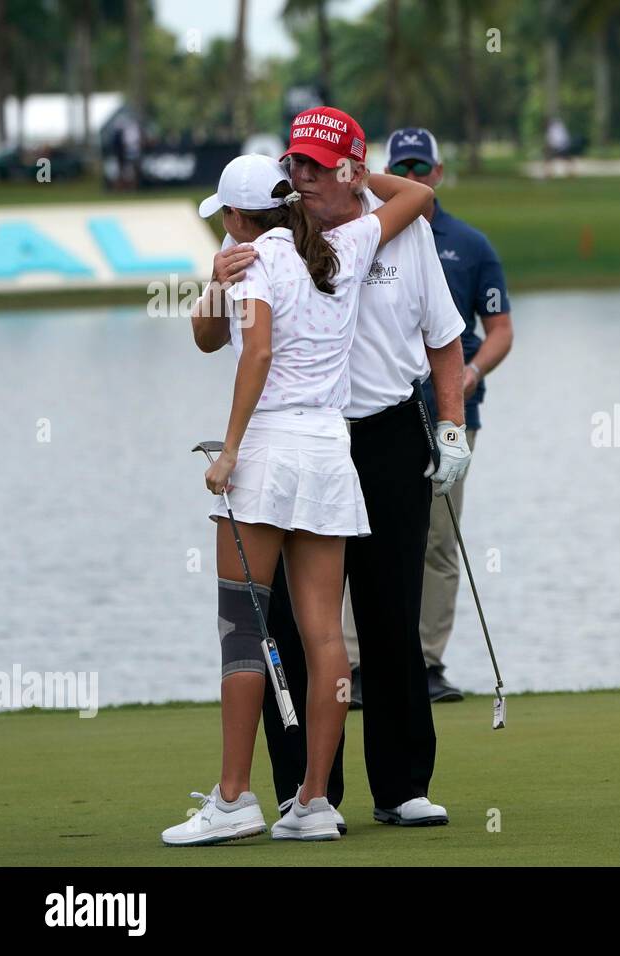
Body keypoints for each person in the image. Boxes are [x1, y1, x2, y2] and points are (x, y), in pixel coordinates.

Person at [161, 153, 434, 845]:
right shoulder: (340, 243)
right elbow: (419, 196)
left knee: (242, 631)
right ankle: (313, 800)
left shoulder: (251, 260)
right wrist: (358, 174)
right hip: (329, 453)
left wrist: (228, 450)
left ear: (232, 216)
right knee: (322, 637)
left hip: (268, 453)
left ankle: (233, 799)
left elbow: (253, 356)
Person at [212, 107, 469, 829]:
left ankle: (402, 785)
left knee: (391, 614)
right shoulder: (277, 236)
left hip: (386, 435)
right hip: (312, 440)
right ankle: (304, 788)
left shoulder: (395, 230)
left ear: (351, 169)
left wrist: (450, 428)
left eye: (318, 166)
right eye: (295, 164)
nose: (303, 177)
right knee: (294, 630)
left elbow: (445, 339)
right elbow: (227, 339)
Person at [341, 127, 513, 704]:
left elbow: (496, 332)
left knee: (438, 543)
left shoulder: (470, 244)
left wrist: (468, 377)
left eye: (421, 169)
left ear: (437, 173)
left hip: (449, 413)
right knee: (353, 539)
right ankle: (360, 665)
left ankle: (427, 663)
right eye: (402, 168)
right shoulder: (360, 231)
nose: (412, 179)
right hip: (373, 417)